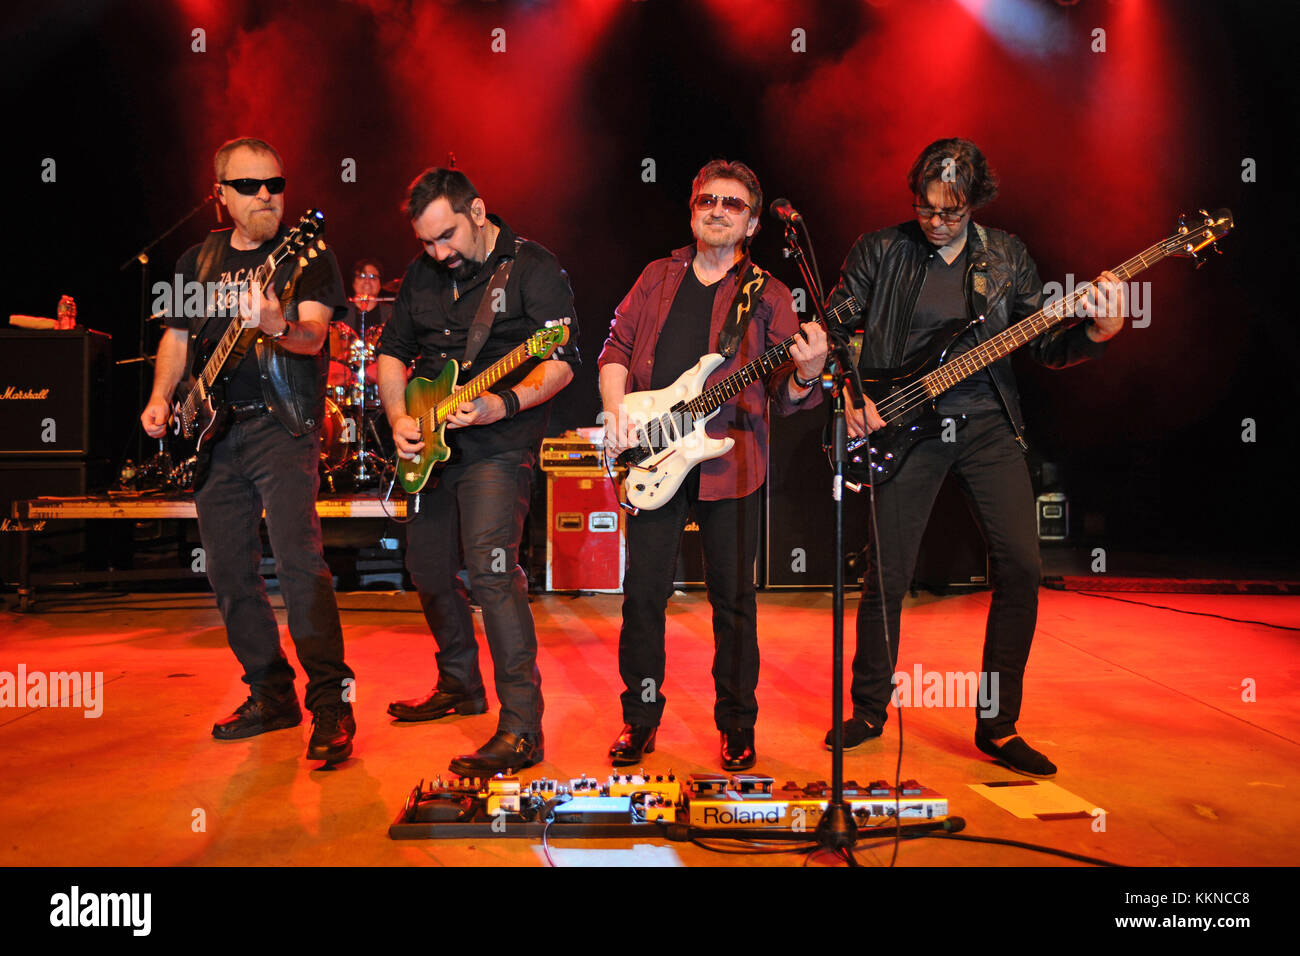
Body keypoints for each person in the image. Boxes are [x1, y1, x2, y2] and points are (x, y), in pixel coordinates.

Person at [825, 137, 1125, 777]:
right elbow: (832, 330)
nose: (936, 222)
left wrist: (1098, 333)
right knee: (888, 574)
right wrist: (851, 397)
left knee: (1020, 566)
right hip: (903, 425)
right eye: (926, 208)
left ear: (974, 205)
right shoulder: (881, 250)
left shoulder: (1007, 256)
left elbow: (1043, 347)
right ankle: (870, 709)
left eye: (951, 213)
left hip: (988, 427)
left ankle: (999, 725)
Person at [599, 159, 828, 771]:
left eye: (732, 203)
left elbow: (786, 394)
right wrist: (616, 409)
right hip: (653, 454)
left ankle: (737, 726)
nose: (717, 210)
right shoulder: (657, 276)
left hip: (732, 461)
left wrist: (807, 372)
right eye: (708, 201)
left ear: (752, 223)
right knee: (642, 596)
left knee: (733, 601)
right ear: (693, 209)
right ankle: (639, 719)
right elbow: (616, 347)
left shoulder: (771, 294)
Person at [140, 136, 357, 764]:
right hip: (214, 432)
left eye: (275, 185)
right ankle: (270, 693)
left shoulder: (305, 254)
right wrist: (163, 399)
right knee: (228, 569)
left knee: (299, 563)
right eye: (250, 186)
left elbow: (314, 337)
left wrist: (275, 325)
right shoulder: (194, 262)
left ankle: (330, 704)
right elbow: (177, 342)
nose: (266, 196)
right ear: (221, 195)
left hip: (280, 425)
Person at [378, 167, 579, 776]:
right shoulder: (423, 274)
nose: (438, 253)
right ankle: (460, 683)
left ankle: (522, 729)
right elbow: (391, 351)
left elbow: (563, 360)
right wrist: (396, 417)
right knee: (427, 569)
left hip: (498, 444)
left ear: (478, 212)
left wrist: (504, 401)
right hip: (431, 441)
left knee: (493, 573)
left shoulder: (535, 270)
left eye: (447, 237)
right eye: (427, 243)